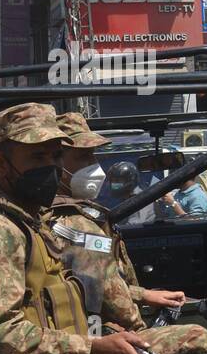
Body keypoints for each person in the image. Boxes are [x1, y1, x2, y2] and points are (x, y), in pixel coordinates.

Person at [0, 103, 207, 354]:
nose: (51, 167)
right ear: (1, 165)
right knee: (199, 340)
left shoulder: (31, 223)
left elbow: (78, 287)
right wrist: (94, 348)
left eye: (55, 157)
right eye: (37, 157)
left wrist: (121, 319)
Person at [48, 112, 186, 320]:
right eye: (83, 156)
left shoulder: (85, 214)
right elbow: (99, 291)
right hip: (102, 332)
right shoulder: (68, 223)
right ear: (56, 162)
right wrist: (141, 327)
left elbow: (103, 280)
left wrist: (146, 295)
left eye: (93, 156)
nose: (93, 165)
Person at [106, 161, 157, 225]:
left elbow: (136, 224)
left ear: (130, 181)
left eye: (117, 181)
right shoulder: (119, 198)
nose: (114, 184)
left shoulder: (141, 199)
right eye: (112, 181)